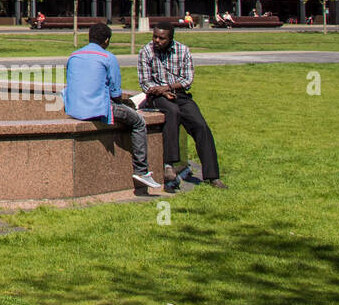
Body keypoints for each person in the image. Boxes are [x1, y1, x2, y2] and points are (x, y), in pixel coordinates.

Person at [63, 22, 159, 189]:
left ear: (89, 37)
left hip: (73, 107)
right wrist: (124, 104)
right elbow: (115, 94)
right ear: (107, 40)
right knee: (138, 122)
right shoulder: (108, 57)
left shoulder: (74, 56)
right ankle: (141, 170)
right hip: (97, 108)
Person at [138, 22, 225, 189]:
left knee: (201, 126)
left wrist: (168, 88)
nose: (157, 41)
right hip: (157, 95)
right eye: (155, 37)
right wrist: (162, 92)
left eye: (161, 38)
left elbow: (187, 79)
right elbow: (145, 82)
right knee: (172, 111)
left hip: (179, 93)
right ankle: (169, 165)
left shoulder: (183, 50)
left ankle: (212, 176)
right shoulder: (146, 51)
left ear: (171, 39)